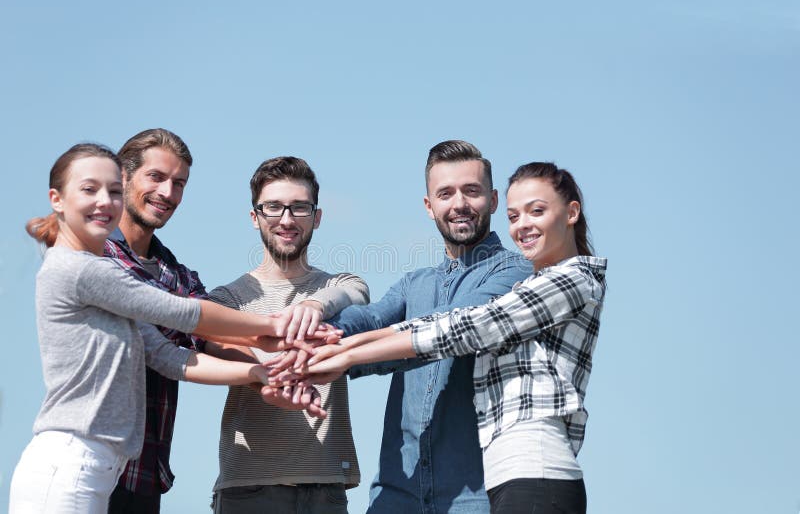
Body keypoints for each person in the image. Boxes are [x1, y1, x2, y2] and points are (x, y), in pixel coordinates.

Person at [9, 144, 329, 514]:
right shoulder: (87, 269)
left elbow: (167, 355)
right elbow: (182, 313)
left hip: (110, 468)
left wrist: (260, 370)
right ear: (57, 199)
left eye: (111, 191)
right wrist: (276, 327)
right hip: (70, 463)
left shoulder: (154, 274)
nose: (105, 201)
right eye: (89, 189)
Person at [303, 162, 608, 514]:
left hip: (517, 477)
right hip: (456, 483)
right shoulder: (418, 283)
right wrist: (317, 339)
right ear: (428, 205)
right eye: (445, 193)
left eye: (536, 211)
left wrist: (345, 355)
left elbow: (464, 326)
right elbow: (373, 320)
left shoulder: (535, 276)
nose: (459, 203)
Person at [208, 156, 370, 514]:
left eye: (299, 207)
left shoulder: (339, 286)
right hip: (248, 488)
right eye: (273, 207)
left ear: (317, 216)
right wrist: (267, 381)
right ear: (255, 217)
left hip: (326, 488)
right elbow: (217, 346)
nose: (286, 219)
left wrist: (312, 307)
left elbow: (356, 294)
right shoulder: (226, 299)